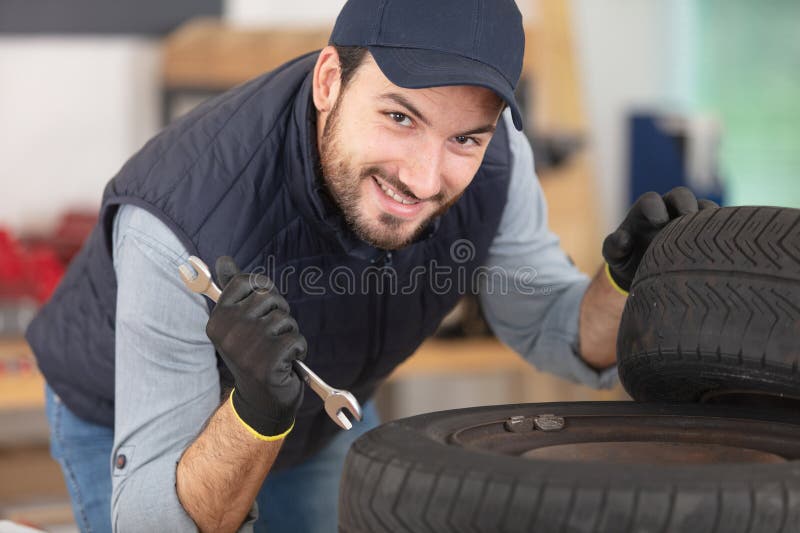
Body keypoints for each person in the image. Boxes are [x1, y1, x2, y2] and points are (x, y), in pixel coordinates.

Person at [26, 0, 714, 531]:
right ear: (330, 81)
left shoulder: (499, 161)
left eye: (464, 138)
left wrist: (622, 286)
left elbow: (549, 325)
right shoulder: (180, 223)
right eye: (400, 118)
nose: (423, 178)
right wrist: (254, 411)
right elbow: (157, 522)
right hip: (126, 419)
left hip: (315, 414)